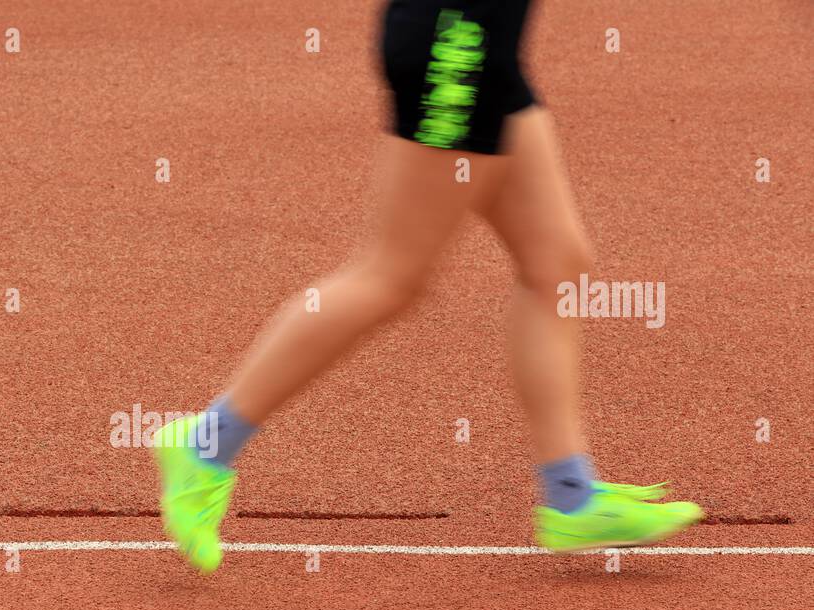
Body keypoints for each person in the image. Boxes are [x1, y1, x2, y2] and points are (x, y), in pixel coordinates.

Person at [152, 0, 702, 573]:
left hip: (481, 45)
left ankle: (572, 496)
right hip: (458, 45)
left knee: (555, 266)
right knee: (392, 275)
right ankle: (206, 444)